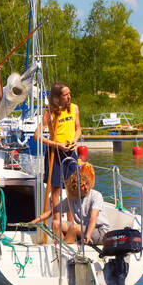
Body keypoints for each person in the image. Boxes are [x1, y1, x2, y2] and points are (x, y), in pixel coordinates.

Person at [40, 82, 82, 233]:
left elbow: (78, 129)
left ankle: (71, 226)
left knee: (72, 190)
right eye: (65, 94)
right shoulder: (50, 113)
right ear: (57, 97)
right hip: (55, 154)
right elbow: (37, 136)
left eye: (69, 93)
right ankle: (56, 225)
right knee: (56, 191)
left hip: (70, 153)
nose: (69, 97)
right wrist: (57, 144)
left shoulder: (74, 108)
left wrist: (75, 140)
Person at [33, 163, 106, 246]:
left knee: (73, 227)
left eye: (86, 184)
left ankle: (62, 246)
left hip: (99, 231)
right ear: (75, 188)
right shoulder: (72, 198)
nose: (86, 188)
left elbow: (93, 218)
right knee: (55, 224)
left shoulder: (96, 195)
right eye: (82, 186)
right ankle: (62, 245)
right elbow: (52, 211)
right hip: (83, 229)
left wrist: (88, 235)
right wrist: (34, 221)